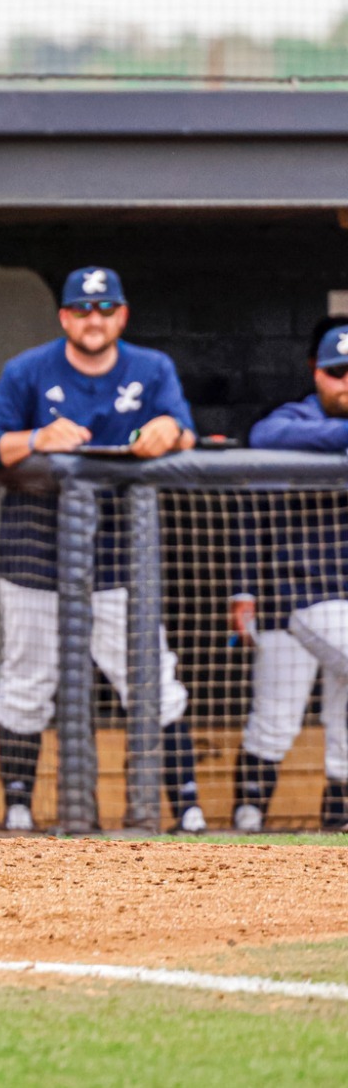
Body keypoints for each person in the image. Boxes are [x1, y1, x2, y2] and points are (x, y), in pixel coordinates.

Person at [0, 266, 205, 834]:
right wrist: (34, 439)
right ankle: (18, 807)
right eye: (81, 310)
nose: (93, 320)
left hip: (120, 557)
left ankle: (187, 808)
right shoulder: (28, 370)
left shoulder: (151, 368)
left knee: (153, 681)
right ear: (65, 317)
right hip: (34, 555)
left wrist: (169, 430)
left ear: (120, 315)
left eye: (104, 309)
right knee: (28, 683)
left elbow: (187, 432)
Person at [228, 319, 348, 832]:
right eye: (337, 372)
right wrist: (244, 590)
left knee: (344, 712)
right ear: (315, 372)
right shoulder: (291, 419)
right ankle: (248, 814)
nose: (346, 384)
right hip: (296, 600)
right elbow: (263, 435)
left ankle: (338, 815)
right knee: (275, 719)